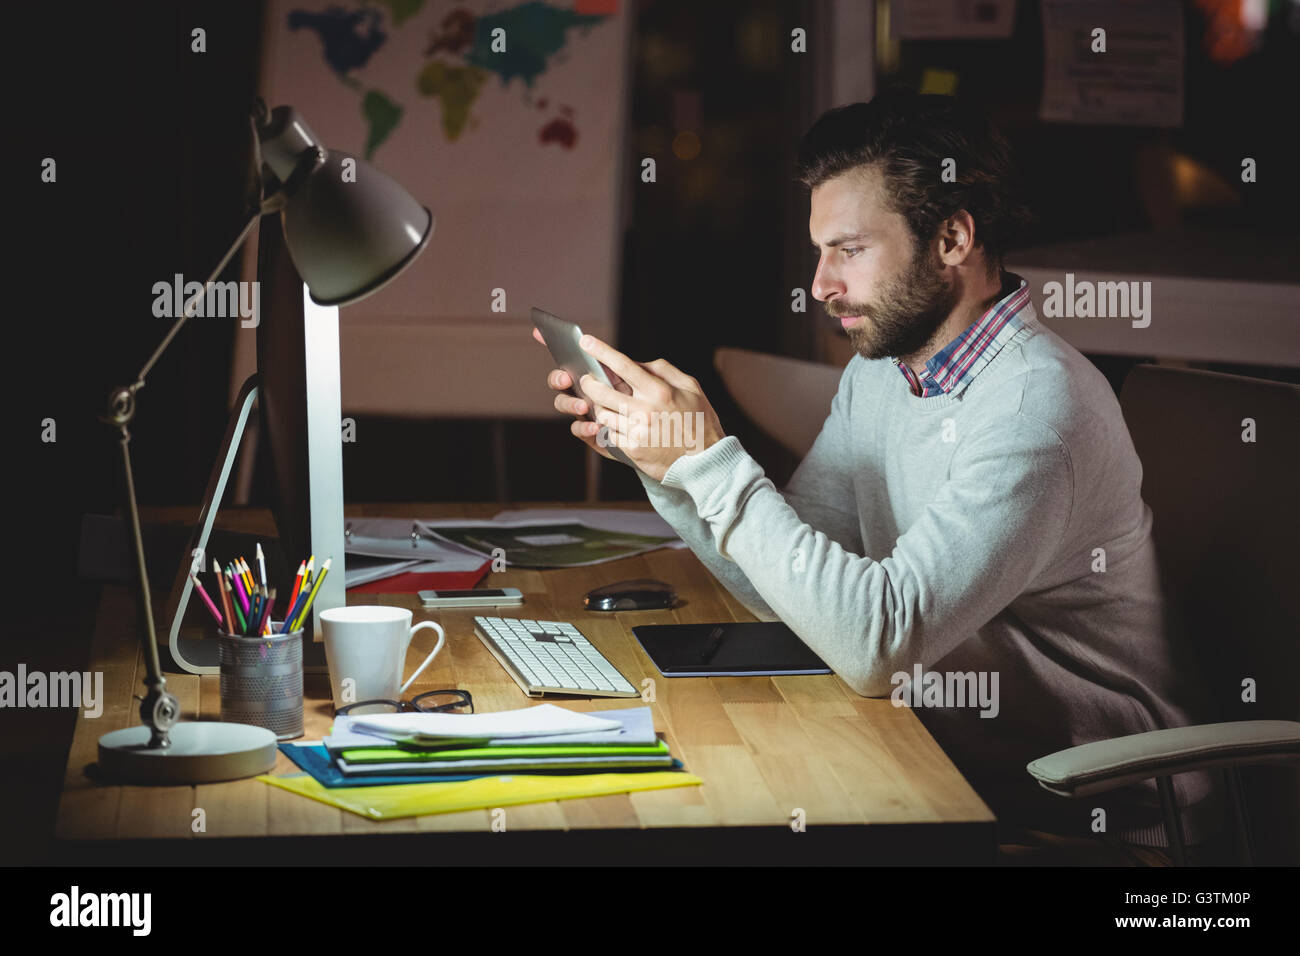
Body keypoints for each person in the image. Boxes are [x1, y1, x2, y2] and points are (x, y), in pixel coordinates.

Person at [534, 89, 1221, 864]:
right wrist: (668, 467)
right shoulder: (889, 371)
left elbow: (875, 644)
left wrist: (707, 459)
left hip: (1091, 824)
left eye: (850, 250)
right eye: (821, 250)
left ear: (953, 237)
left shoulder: (1037, 415)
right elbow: (797, 594)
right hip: (951, 769)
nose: (823, 282)